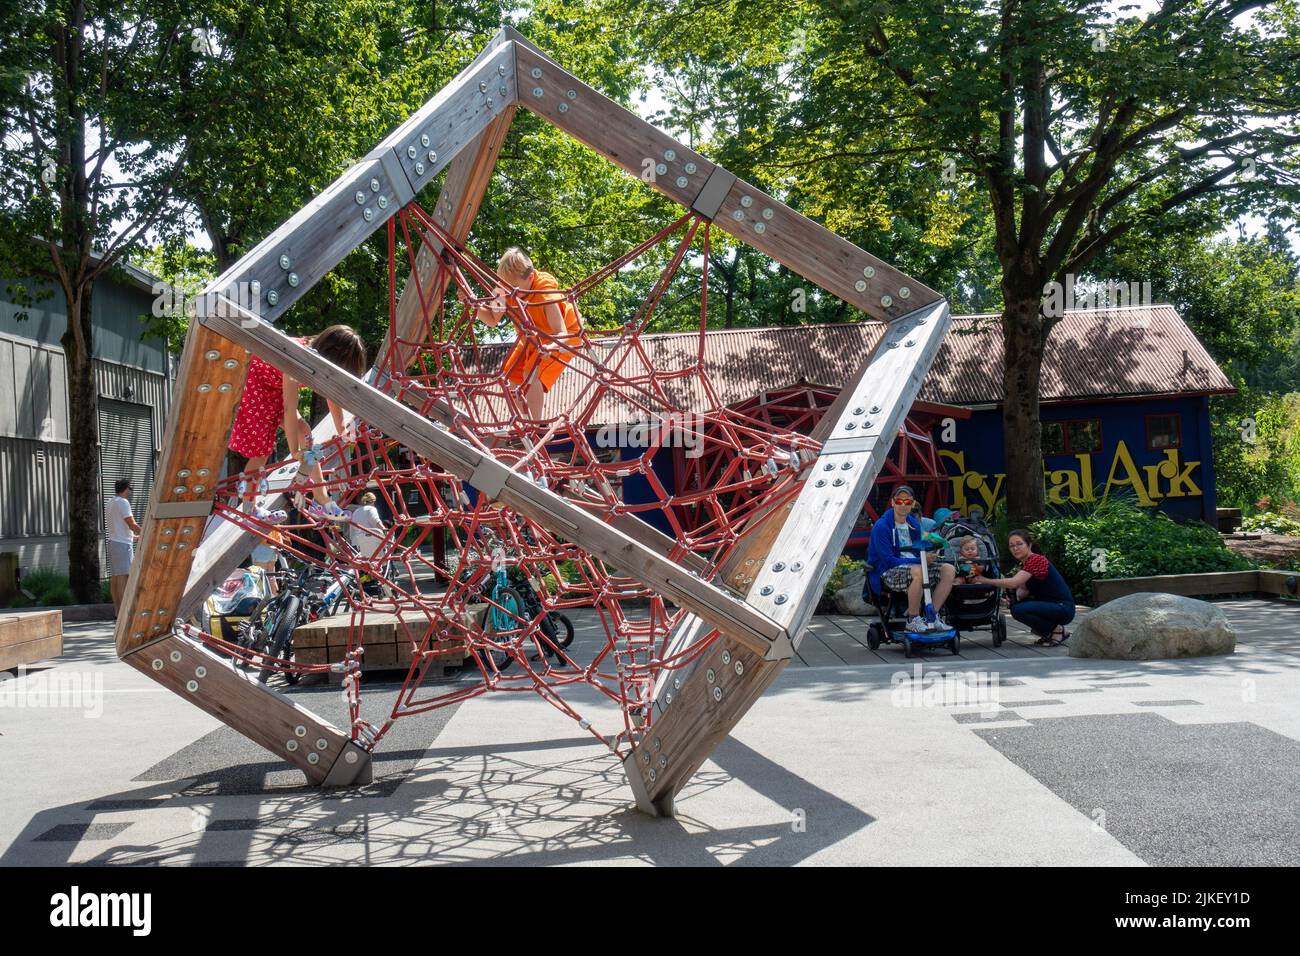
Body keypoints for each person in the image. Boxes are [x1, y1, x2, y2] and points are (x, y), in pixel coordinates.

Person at [228, 325, 367, 509]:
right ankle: (249, 506)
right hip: (257, 386)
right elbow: (289, 408)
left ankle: (321, 497)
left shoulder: (316, 356)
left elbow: (331, 395)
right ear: (331, 355)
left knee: (304, 431)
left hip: (274, 386)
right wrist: (294, 450)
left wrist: (342, 429)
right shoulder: (297, 358)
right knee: (261, 452)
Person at [465, 247, 585, 420]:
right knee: (510, 379)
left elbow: (562, 333)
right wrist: (472, 303)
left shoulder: (545, 294)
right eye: (506, 287)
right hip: (531, 338)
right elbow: (492, 319)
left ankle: (536, 424)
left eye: (515, 288)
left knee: (530, 374)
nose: (511, 293)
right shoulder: (504, 289)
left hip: (563, 339)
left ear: (531, 277)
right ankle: (526, 422)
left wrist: (549, 347)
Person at [867, 484, 956, 633]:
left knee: (948, 569)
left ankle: (932, 616)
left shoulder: (913, 523)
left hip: (915, 567)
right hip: (888, 572)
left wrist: (932, 548)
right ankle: (913, 619)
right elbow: (888, 561)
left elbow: (919, 548)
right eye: (899, 501)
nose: (903, 505)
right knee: (919, 571)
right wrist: (921, 561)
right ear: (892, 502)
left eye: (907, 501)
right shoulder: (882, 526)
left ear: (913, 503)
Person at [972, 529, 1076, 646]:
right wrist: (1007, 600)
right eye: (1012, 546)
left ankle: (1057, 630)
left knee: (1019, 610)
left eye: (1019, 544)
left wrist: (985, 580)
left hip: (1063, 608)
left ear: (1029, 545)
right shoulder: (1025, 564)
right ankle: (1048, 632)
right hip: (1051, 605)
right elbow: (1022, 591)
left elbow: (1014, 583)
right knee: (1016, 606)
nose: (1015, 548)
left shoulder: (1036, 560)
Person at [106, 479, 141, 613]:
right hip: (122, 545)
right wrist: (147, 532)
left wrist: (134, 538)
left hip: (113, 543)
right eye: (130, 489)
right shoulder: (123, 502)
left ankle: (117, 611)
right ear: (126, 489)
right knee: (124, 577)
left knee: (115, 577)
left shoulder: (110, 502)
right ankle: (124, 612)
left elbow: (118, 527)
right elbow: (131, 524)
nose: (130, 492)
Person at [349, 491, 386, 560]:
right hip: (372, 542)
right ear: (373, 501)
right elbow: (376, 521)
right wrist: (385, 530)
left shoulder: (356, 511)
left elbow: (352, 529)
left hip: (359, 543)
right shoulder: (371, 509)